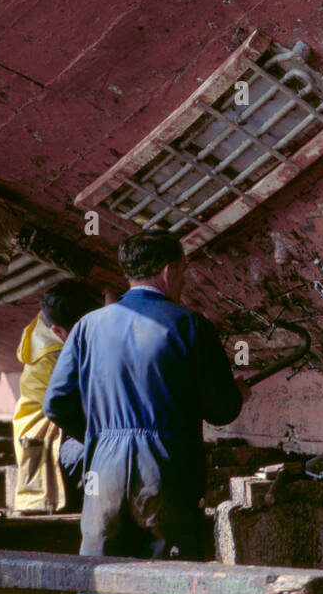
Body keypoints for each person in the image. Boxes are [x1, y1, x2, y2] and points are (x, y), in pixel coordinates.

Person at [43, 230, 247, 560]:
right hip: (166, 471)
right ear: (169, 271)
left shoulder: (86, 327)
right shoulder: (190, 325)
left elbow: (56, 403)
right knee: (172, 581)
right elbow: (220, 409)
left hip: (103, 471)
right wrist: (238, 393)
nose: (182, 281)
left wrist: (101, 436)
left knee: (102, 577)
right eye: (182, 271)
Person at [12, 280, 102, 515]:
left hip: (58, 430)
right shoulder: (53, 356)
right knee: (100, 454)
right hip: (51, 438)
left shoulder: (51, 320)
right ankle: (97, 508)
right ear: (57, 332)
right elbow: (76, 411)